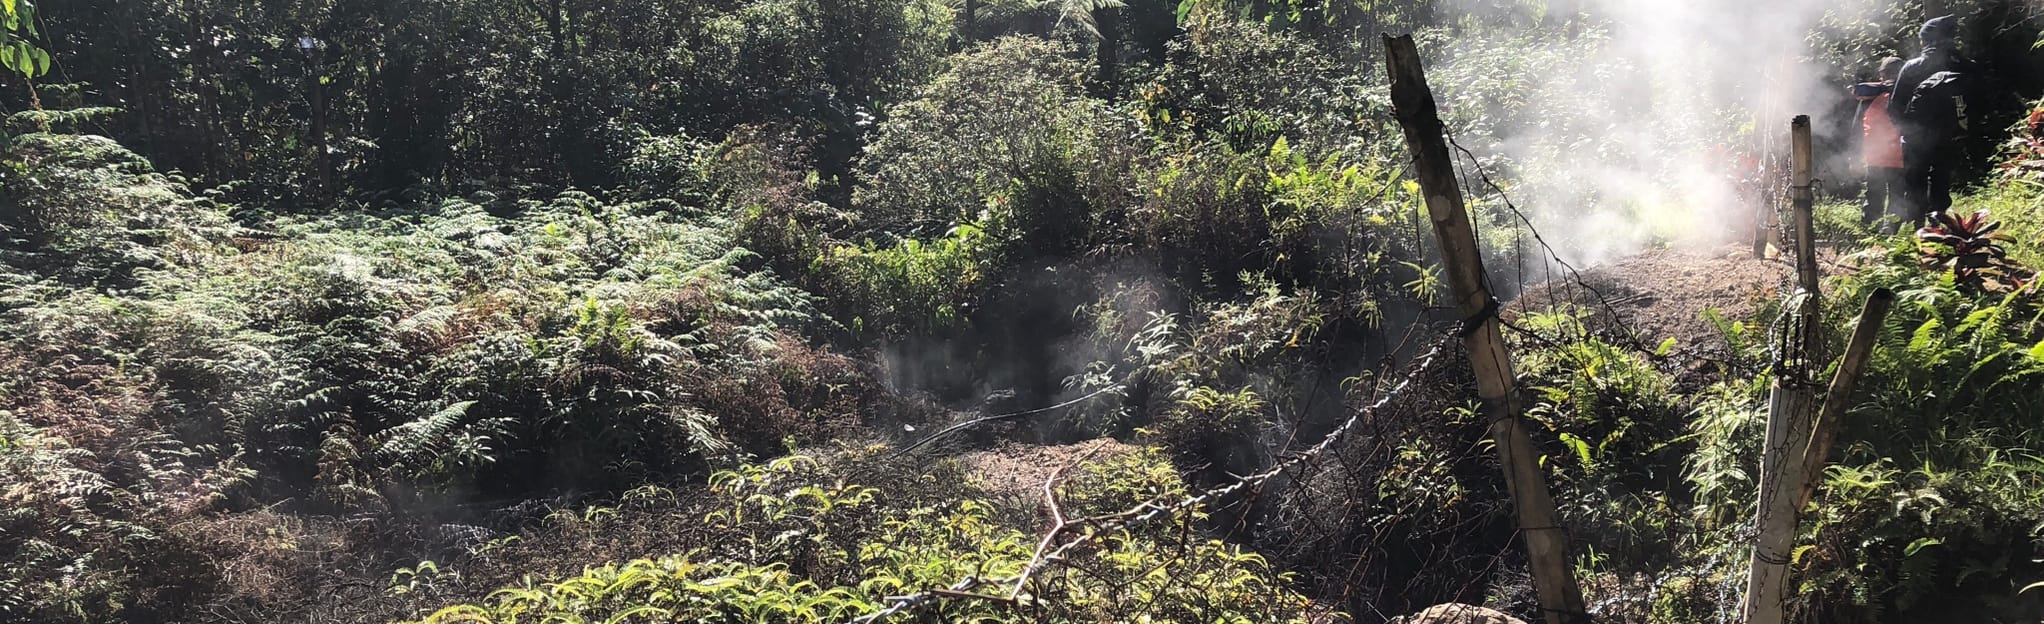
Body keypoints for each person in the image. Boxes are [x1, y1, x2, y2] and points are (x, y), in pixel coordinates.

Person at [1887, 15, 1969, 225]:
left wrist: (1906, 129)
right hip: (1952, 134)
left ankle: (1916, 231)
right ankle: (1938, 227)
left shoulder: (1913, 67)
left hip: (1916, 137)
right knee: (1941, 179)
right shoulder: (1966, 66)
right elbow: (1979, 101)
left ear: (1927, 40)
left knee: (1915, 183)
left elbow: (1894, 106)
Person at [1852, 57, 1907, 230]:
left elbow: (1856, 128)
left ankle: (1870, 230)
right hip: (1899, 155)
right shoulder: (1906, 94)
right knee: (1897, 195)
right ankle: (1891, 232)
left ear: (1882, 74)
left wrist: (1854, 157)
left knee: (1874, 194)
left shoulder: (1869, 96)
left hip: (1874, 155)